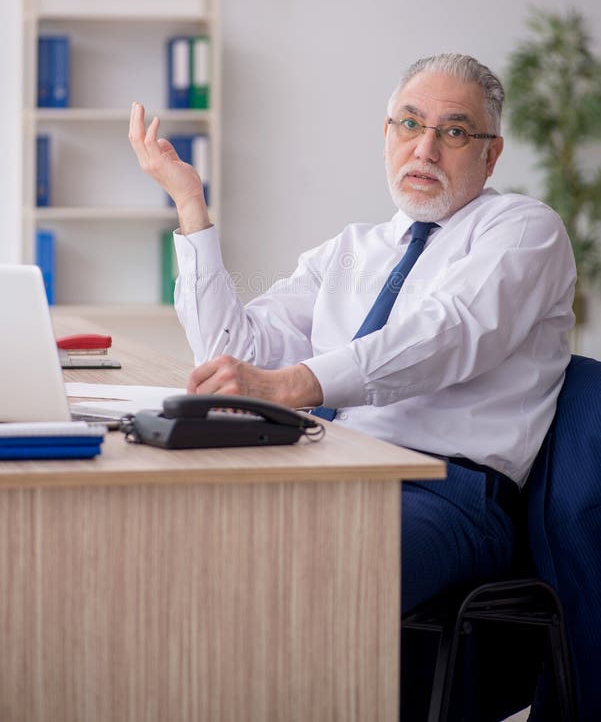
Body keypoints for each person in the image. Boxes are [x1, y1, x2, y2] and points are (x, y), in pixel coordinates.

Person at [129, 53, 576, 617]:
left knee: (285, 577)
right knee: (164, 533)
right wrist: (189, 205)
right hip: (327, 462)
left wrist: (292, 385)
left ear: (491, 154)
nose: (425, 149)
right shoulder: (351, 249)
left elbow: (446, 335)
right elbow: (233, 356)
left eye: (454, 132)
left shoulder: (524, 229)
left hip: (441, 494)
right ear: (386, 135)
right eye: (410, 124)